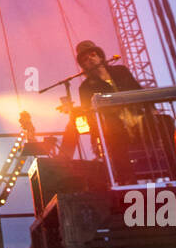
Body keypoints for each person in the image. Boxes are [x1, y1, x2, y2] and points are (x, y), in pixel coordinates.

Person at [61, 41, 143, 183]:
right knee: (113, 134)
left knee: (165, 122)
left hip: (139, 120)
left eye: (92, 55)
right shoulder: (85, 88)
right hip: (114, 126)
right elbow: (89, 116)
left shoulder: (121, 71)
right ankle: (128, 182)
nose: (90, 59)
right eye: (85, 59)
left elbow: (139, 92)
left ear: (100, 57)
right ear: (83, 66)